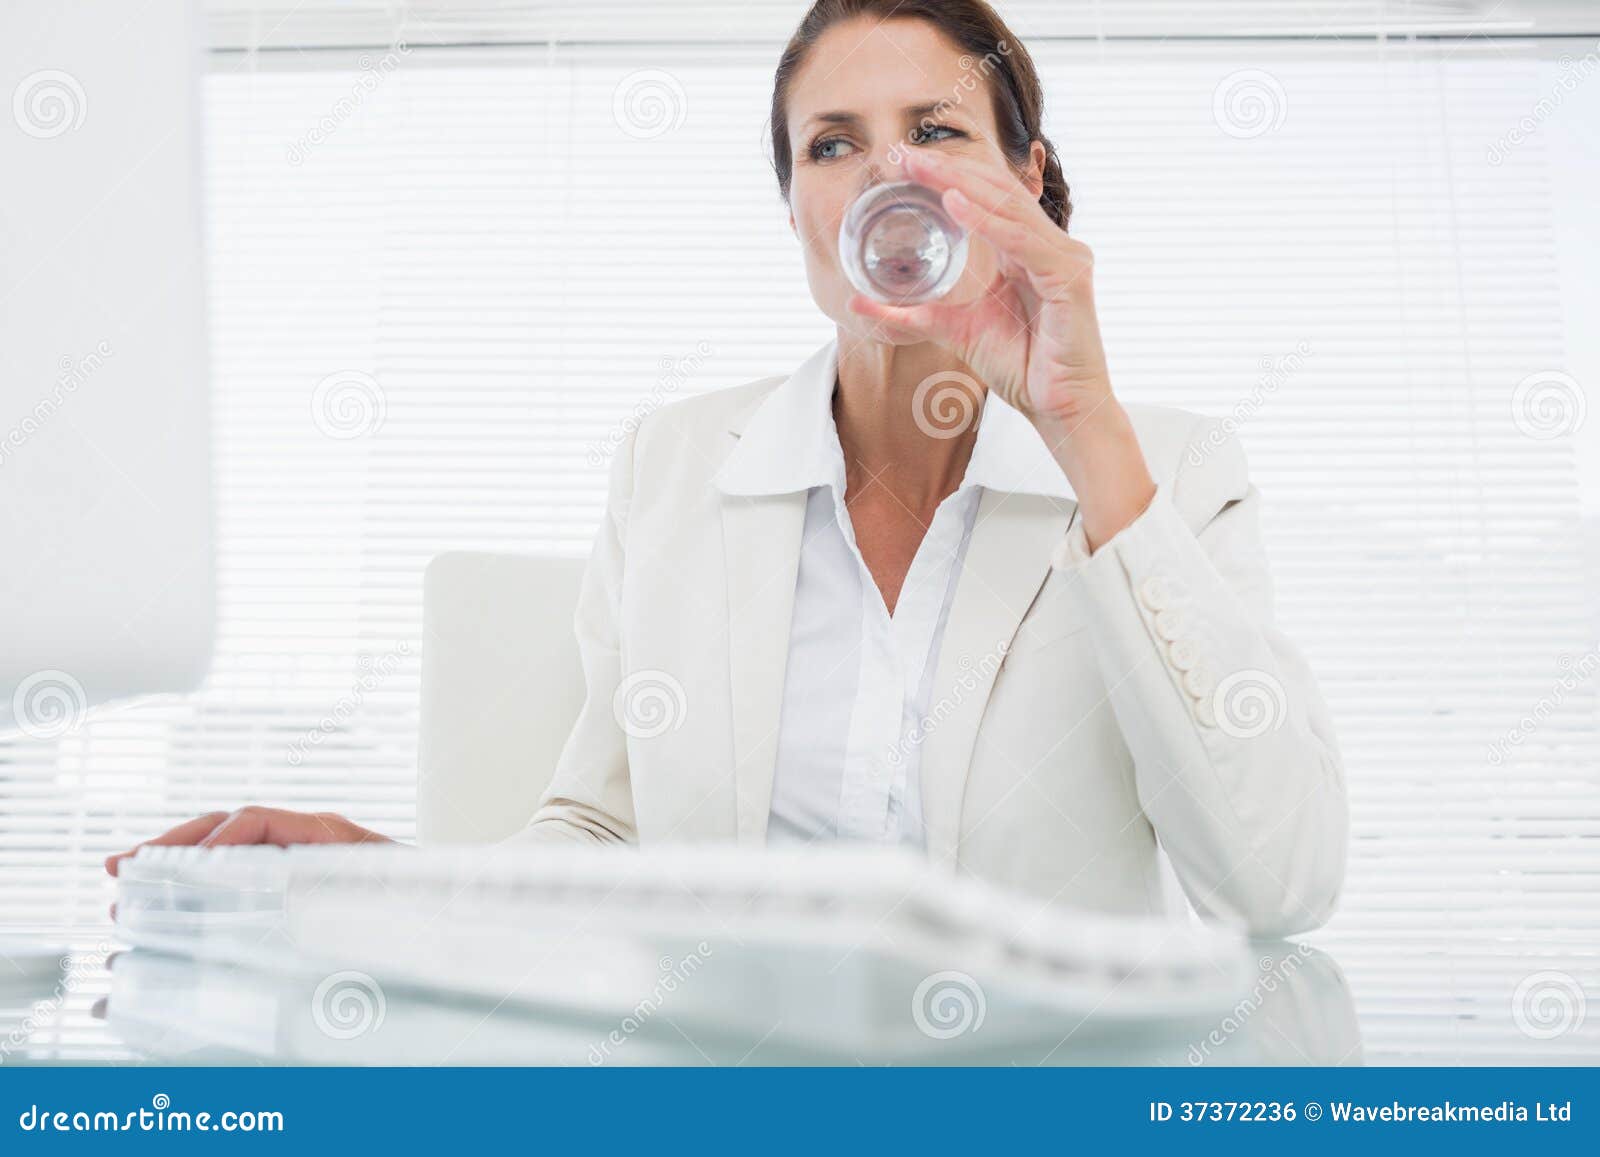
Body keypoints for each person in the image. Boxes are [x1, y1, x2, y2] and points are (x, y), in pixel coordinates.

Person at [108, 0, 1347, 936]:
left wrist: (1079, 424)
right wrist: (382, 870)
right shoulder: (671, 468)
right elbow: (605, 839)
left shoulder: (1166, 470)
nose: (887, 180)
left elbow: (1277, 879)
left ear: (1022, 180)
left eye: (935, 132)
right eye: (831, 146)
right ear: (796, 210)